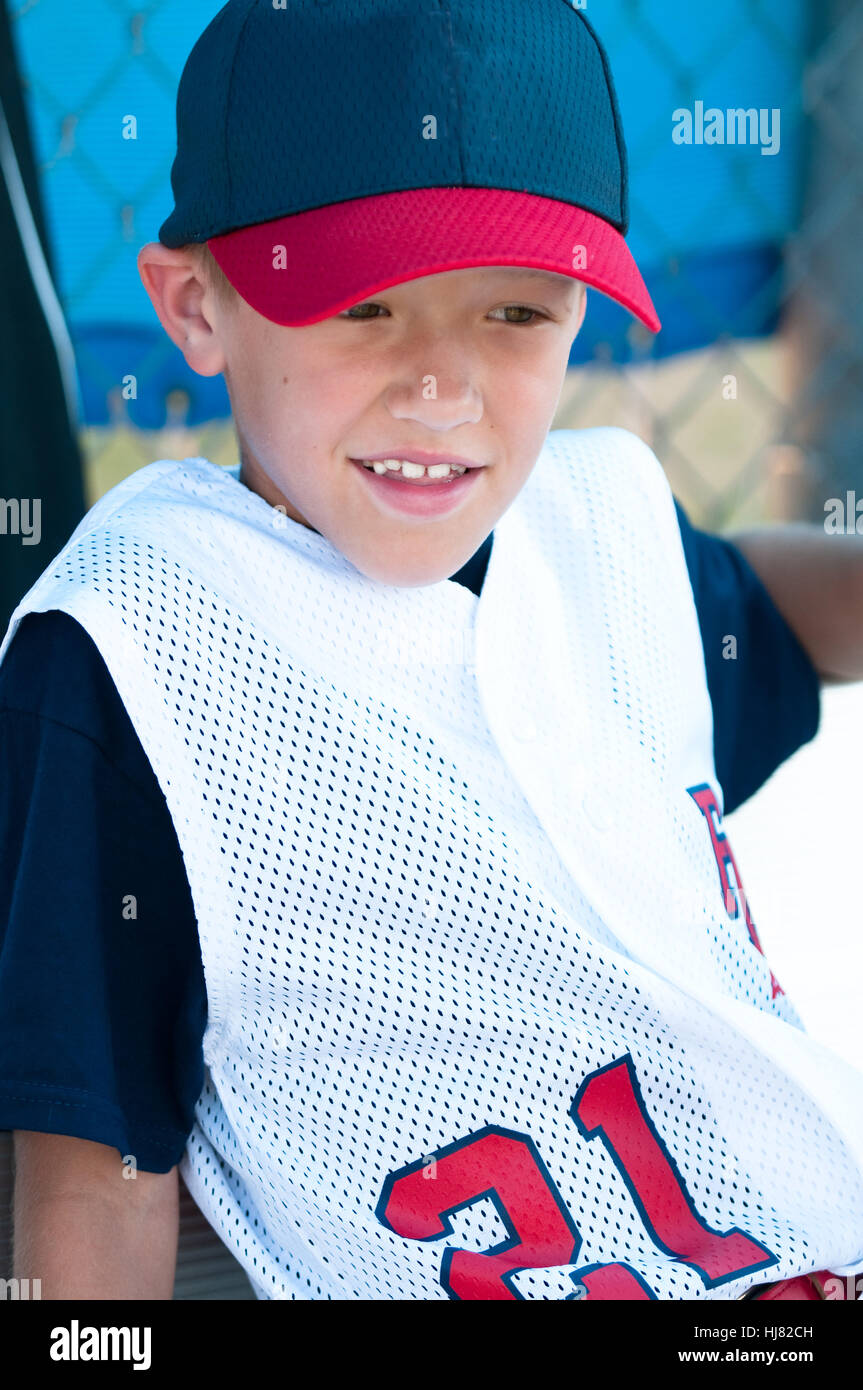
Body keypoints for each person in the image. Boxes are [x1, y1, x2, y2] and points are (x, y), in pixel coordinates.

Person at [3, 0, 863, 1301]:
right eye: (363, 305)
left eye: (516, 311)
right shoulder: (133, 651)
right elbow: (94, 1171)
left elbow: (751, 612)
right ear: (195, 306)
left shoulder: (594, 527)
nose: (441, 385)